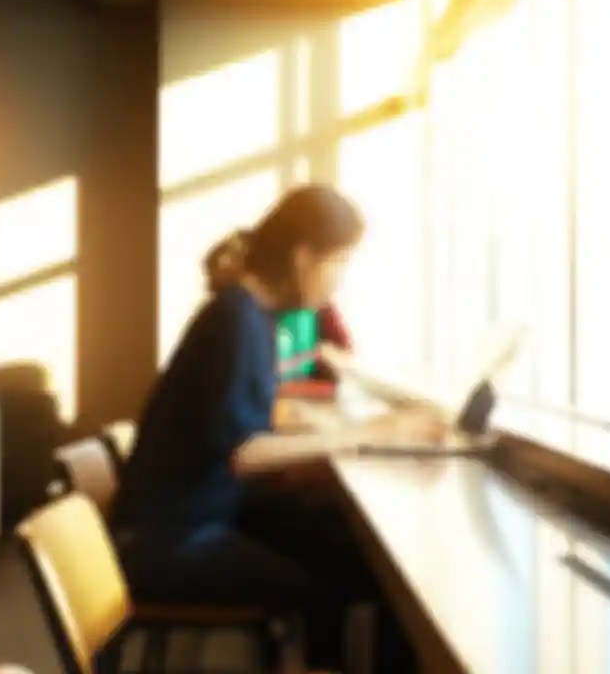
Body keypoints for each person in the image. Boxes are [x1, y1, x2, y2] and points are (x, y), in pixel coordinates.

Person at [113, 185, 440, 672]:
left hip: (187, 519)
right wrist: (373, 434)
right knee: (344, 583)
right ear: (304, 257)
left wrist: (348, 429)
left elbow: (240, 423)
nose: (339, 281)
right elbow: (245, 452)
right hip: (172, 540)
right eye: (341, 261)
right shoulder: (236, 321)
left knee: (340, 546)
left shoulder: (246, 315)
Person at [205, 228, 354, 383]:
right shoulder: (243, 315)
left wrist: (328, 357)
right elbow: (253, 373)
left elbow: (346, 356)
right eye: (339, 260)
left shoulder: (317, 305)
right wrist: (310, 357)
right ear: (301, 259)